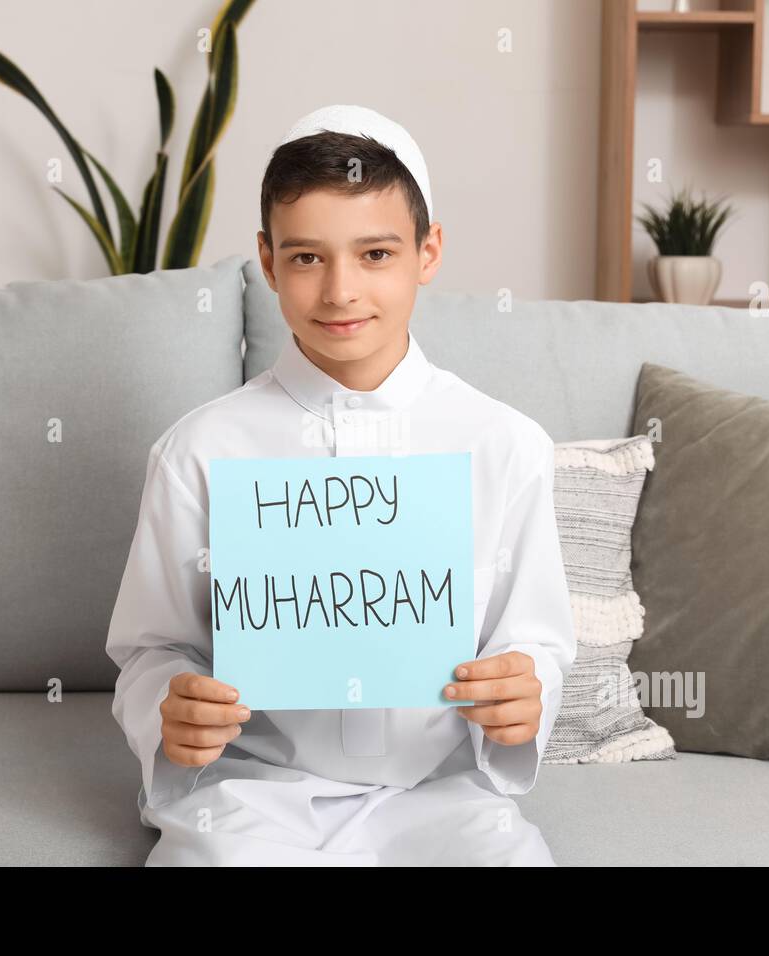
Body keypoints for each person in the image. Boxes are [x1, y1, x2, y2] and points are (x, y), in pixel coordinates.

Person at [106, 104, 576, 865]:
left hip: (443, 797)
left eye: (376, 254)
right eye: (306, 258)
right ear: (267, 261)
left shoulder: (505, 445)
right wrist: (171, 704)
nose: (339, 292)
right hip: (253, 796)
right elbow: (153, 647)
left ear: (429, 252)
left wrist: (528, 692)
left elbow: (536, 641)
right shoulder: (199, 450)